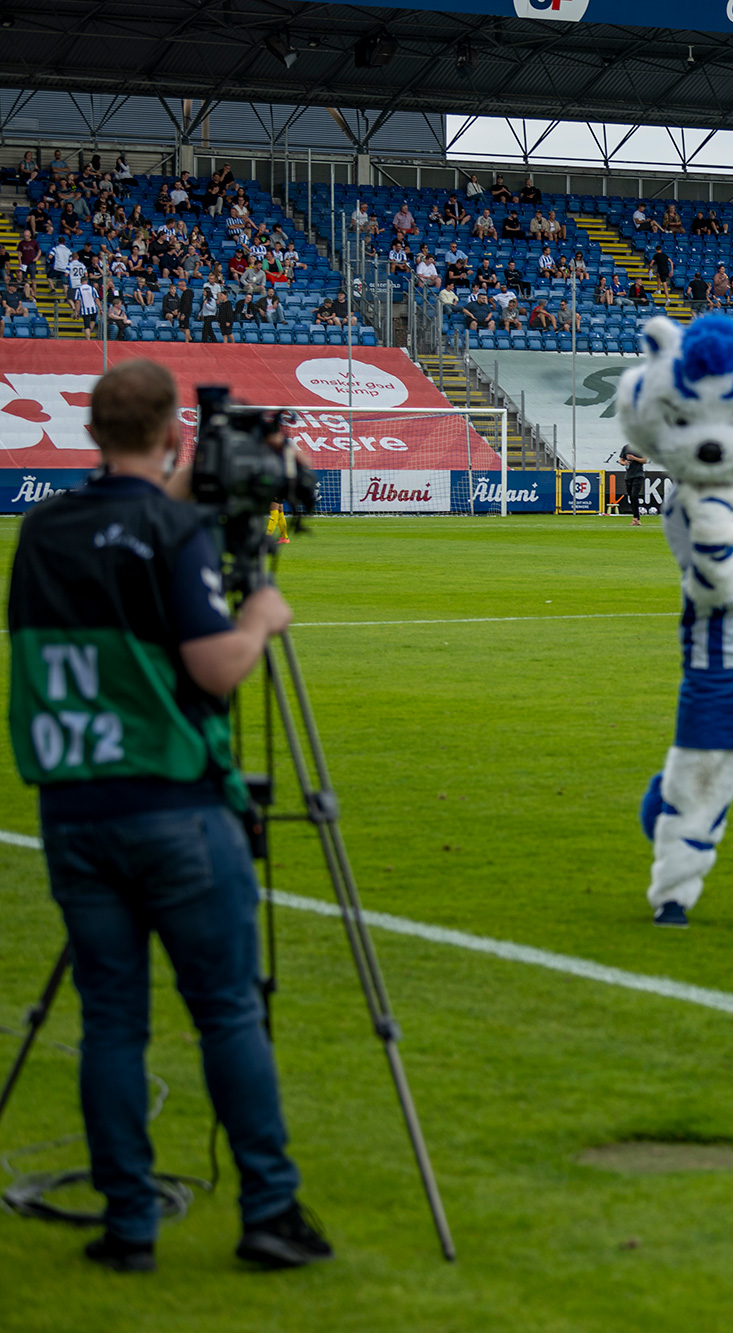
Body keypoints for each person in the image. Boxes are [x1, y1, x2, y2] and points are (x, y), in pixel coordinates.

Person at [7, 359, 332, 1273]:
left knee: (112, 1020)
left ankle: (129, 1226)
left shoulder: (41, 532)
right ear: (175, 437)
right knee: (227, 1012)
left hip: (73, 808)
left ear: (86, 434)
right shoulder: (173, 529)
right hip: (175, 806)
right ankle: (268, 1208)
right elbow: (217, 668)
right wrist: (261, 615)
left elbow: (127, 515)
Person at [618, 443, 649, 527]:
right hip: (628, 476)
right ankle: (636, 519)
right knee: (631, 497)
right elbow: (621, 460)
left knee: (634, 495)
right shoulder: (626, 447)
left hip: (638, 475)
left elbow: (645, 460)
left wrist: (634, 458)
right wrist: (624, 463)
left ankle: (636, 518)